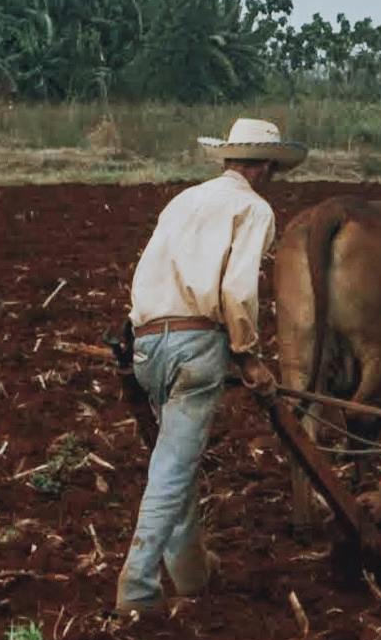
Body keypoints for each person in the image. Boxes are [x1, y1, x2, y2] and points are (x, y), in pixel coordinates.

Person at [115, 117, 297, 613]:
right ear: (262, 168)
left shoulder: (183, 201)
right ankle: (137, 590)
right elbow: (237, 291)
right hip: (197, 344)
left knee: (173, 459)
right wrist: (249, 356)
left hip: (148, 342)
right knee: (174, 465)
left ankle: (191, 574)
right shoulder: (253, 208)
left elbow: (146, 269)